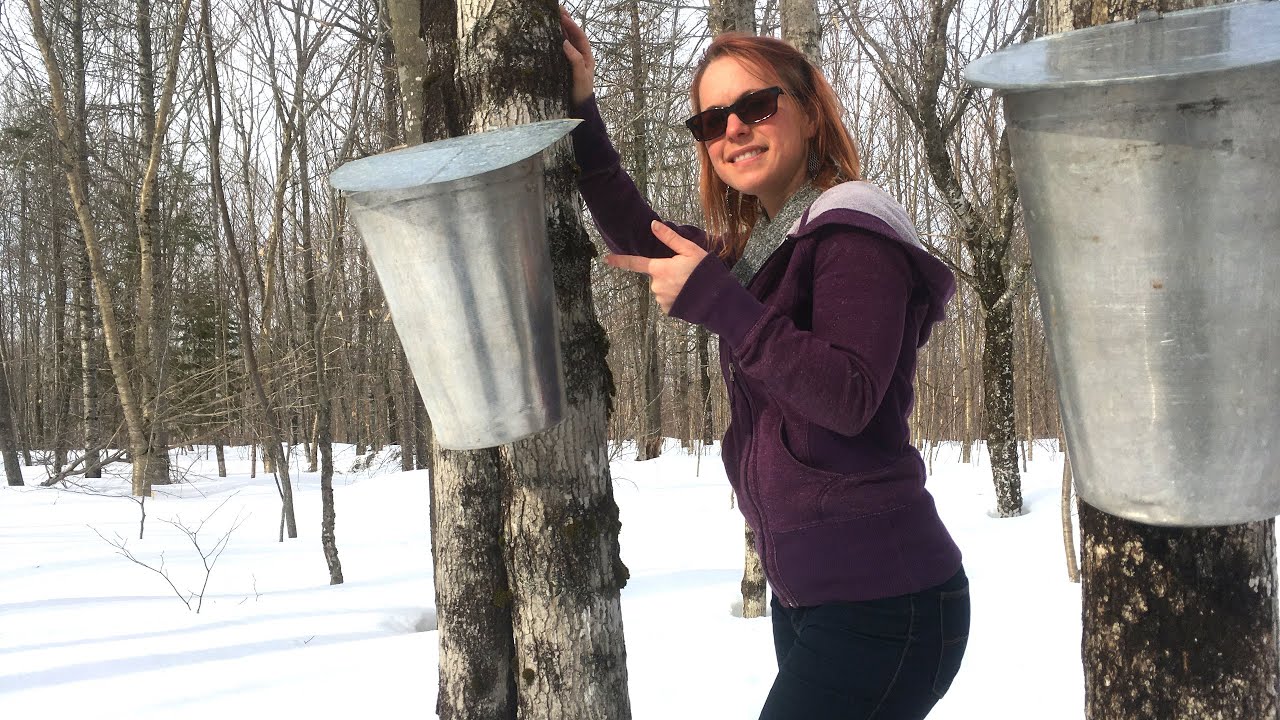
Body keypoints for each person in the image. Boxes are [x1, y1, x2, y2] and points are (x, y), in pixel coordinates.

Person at [561, 9, 969, 719]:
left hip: (885, 600)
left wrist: (717, 301)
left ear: (809, 113)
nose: (733, 130)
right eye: (710, 121)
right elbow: (639, 231)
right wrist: (582, 109)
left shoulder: (854, 228)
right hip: (811, 598)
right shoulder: (765, 251)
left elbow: (849, 395)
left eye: (755, 106)